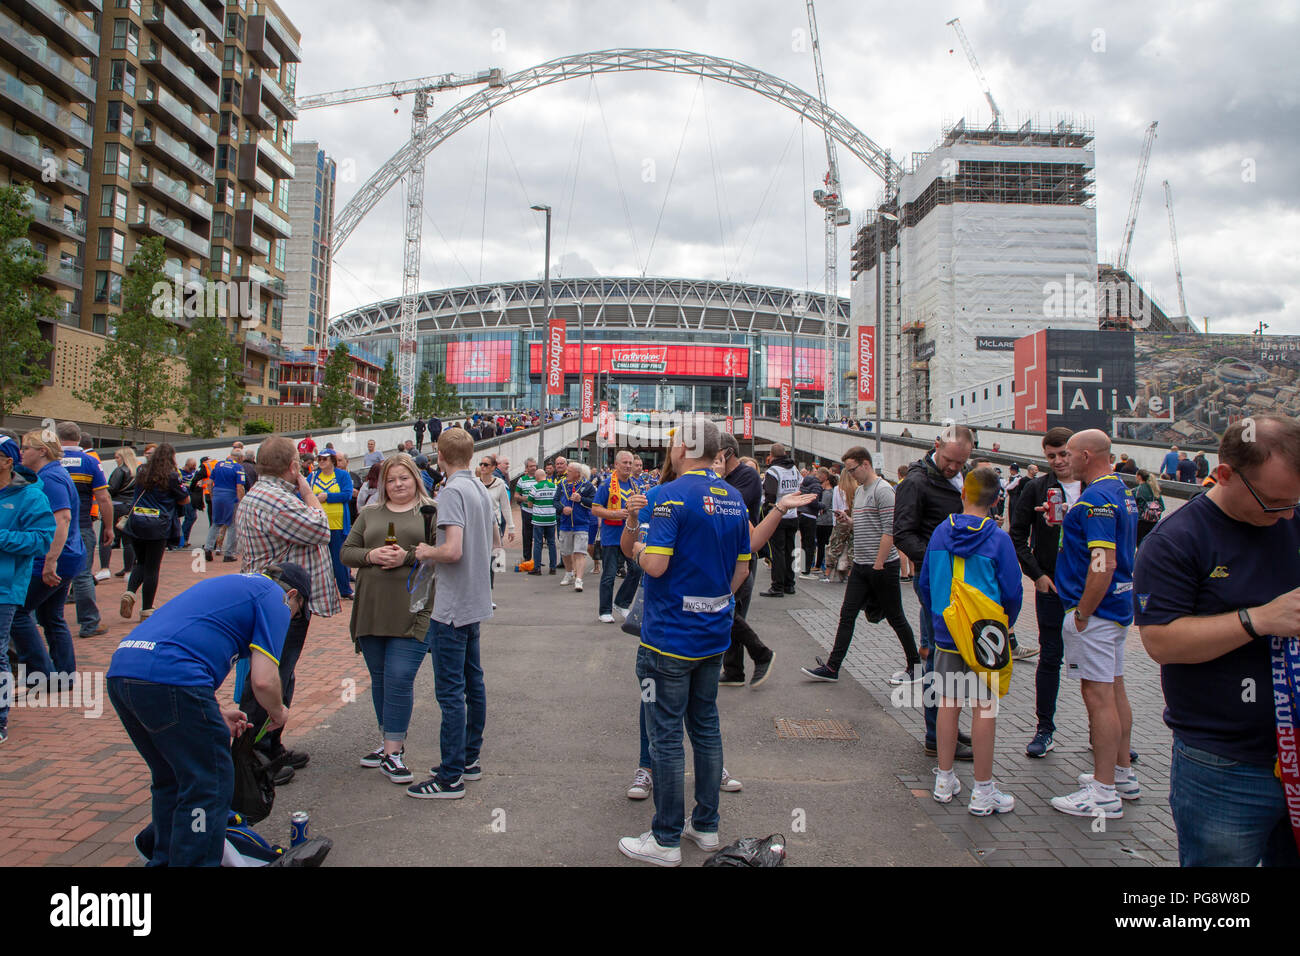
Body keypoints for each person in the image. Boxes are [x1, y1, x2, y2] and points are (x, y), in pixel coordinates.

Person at [1134, 413, 1300, 866]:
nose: (1287, 514)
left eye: (1294, 501)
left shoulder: (1291, 512)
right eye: (1273, 502)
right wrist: (1260, 619)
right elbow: (1161, 642)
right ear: (1224, 476)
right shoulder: (1176, 540)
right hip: (1224, 765)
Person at [617, 419, 750, 866]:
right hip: (713, 635)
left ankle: (666, 839)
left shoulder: (666, 496)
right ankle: (706, 827)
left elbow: (653, 565)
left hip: (668, 638)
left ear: (680, 449)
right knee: (706, 728)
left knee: (666, 737)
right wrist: (713, 602)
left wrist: (636, 550)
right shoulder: (733, 498)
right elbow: (742, 571)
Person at [106, 566, 302, 866]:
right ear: (293, 595)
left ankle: (163, 859)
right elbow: (263, 679)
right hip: (174, 677)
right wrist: (278, 711)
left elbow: (184, 641)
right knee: (208, 783)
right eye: (296, 613)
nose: (290, 622)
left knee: (170, 777)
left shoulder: (232, 585)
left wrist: (216, 710)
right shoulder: (275, 598)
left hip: (124, 671)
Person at [919, 466, 1023, 815]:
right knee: (985, 707)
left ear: (963, 493)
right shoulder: (999, 539)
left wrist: (938, 618)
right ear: (996, 500)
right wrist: (1004, 626)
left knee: (948, 704)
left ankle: (944, 780)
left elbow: (925, 584)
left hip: (947, 631)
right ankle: (983, 790)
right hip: (985, 636)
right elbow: (1012, 591)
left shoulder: (939, 533)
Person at [234, 436, 338, 779]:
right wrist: (307, 490)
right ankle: (255, 756)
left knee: (282, 674)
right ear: (292, 467)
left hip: (272, 600)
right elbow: (322, 528)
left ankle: (270, 745)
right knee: (268, 678)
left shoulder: (259, 496)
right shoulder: (278, 500)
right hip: (280, 604)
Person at [1049, 429, 1140, 820]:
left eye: (1069, 454)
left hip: (1096, 614)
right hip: (1116, 609)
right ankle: (1120, 774)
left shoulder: (1096, 498)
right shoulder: (1120, 490)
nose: (1064, 460)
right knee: (1115, 688)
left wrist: (1083, 612)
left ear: (1087, 455)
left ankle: (1104, 793)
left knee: (1097, 695)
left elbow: (1103, 563)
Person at [407, 428, 499, 799]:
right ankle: (467, 760)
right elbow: (493, 537)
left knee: (450, 692)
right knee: (472, 683)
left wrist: (425, 551)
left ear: (439, 456)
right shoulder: (479, 487)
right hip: (475, 598)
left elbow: (453, 550)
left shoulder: (451, 492)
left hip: (452, 605)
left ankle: (449, 776)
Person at [342, 454, 435, 784]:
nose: (398, 484)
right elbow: (346, 551)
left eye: (404, 478)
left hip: (413, 608)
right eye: (391, 480)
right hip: (371, 609)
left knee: (398, 676)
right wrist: (371, 555)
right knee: (380, 678)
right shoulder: (369, 513)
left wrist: (407, 557)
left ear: (415, 479)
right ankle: (388, 743)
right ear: (383, 484)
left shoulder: (430, 512)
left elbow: (443, 554)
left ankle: (394, 752)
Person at [804, 446, 922, 685]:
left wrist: (879, 563)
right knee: (847, 614)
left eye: (853, 469)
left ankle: (916, 667)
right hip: (862, 564)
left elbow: (890, 530)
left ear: (866, 464)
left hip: (881, 566)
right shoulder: (860, 492)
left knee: (896, 617)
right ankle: (832, 667)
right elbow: (869, 525)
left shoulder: (884, 490)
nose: (850, 475)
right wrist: (849, 521)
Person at [894, 424, 976, 760]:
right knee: (936, 657)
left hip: (963, 581)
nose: (954, 468)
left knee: (954, 658)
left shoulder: (959, 477)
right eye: (950, 461)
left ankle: (947, 727)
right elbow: (903, 534)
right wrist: (938, 560)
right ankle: (935, 735)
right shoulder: (915, 482)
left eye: (961, 462)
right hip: (938, 581)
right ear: (937, 445)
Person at [1010, 427, 1078, 758]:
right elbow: (1017, 535)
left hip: (1090, 586)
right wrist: (1036, 574)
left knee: (1098, 662)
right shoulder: (1037, 488)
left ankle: (1106, 733)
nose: (1059, 461)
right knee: (1051, 656)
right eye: (1052, 456)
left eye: (1064, 453)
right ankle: (1044, 728)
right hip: (1051, 584)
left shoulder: (1096, 486)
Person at [11, 431, 84, 681]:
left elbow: (61, 519)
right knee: (51, 616)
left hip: (54, 558)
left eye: (26, 448)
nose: (21, 453)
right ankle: (64, 675)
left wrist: (50, 562)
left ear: (42, 450)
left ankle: (41, 674)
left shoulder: (50, 478)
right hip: (67, 556)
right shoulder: (53, 474)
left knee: (18, 612)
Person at [0, 436, 56, 743]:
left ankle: (0, 720)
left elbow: (40, 540)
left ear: (9, 461)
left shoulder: (30, 496)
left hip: (4, 587)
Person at [119, 443, 189, 621]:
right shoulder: (172, 475)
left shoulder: (142, 470)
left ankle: (129, 592)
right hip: (158, 524)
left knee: (140, 562)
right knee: (152, 568)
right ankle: (147, 609)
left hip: (136, 521)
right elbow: (184, 499)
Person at [55, 423, 112, 639]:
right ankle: (89, 623)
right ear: (79, 439)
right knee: (82, 575)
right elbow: (104, 498)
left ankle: (41, 618)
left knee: (47, 570)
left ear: (58, 438)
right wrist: (108, 526)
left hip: (52, 525)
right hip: (81, 525)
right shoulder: (90, 462)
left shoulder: (50, 461)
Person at [592, 450, 643, 622]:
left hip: (630, 536)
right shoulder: (606, 485)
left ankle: (622, 603)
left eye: (631, 463)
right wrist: (614, 514)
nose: (628, 466)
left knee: (636, 569)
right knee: (609, 574)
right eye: (625, 463)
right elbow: (595, 509)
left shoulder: (635, 486)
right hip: (612, 536)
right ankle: (604, 611)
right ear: (616, 465)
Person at [311, 449, 354, 601]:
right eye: (320, 459)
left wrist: (327, 497)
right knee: (317, 560)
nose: (322, 461)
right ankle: (320, 591)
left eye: (325, 459)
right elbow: (302, 493)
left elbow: (347, 494)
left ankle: (345, 589)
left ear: (332, 460)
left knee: (338, 558)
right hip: (317, 524)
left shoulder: (342, 475)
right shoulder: (313, 476)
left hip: (337, 524)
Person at [759, 443, 801, 597]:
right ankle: (790, 584)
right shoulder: (794, 469)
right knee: (790, 550)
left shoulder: (773, 471)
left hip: (778, 515)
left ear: (771, 455)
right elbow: (799, 487)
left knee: (778, 552)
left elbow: (770, 494)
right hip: (793, 515)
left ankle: (777, 586)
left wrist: (765, 509)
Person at [203, 443, 246, 563]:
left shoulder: (218, 465)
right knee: (232, 525)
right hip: (230, 496)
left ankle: (208, 547)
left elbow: (210, 483)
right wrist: (241, 501)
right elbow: (240, 487)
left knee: (216, 523)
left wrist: (212, 496)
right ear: (239, 458)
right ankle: (229, 553)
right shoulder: (238, 468)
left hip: (217, 495)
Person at [556, 462, 595, 591]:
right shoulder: (562, 485)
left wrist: (581, 499)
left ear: (577, 474)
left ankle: (579, 579)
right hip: (566, 523)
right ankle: (568, 573)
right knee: (566, 552)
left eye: (570, 471)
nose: (567, 473)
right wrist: (562, 509)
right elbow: (555, 501)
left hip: (581, 523)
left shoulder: (587, 486)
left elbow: (594, 503)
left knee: (580, 552)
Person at [108, 447, 139, 578]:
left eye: (118, 457)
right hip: (131, 506)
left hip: (118, 505)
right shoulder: (136, 471)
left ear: (124, 457)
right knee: (129, 541)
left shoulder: (120, 471)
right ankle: (129, 568)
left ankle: (107, 568)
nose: (116, 460)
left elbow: (112, 488)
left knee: (111, 538)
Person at [526, 467, 558, 575]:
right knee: (551, 543)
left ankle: (537, 568)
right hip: (551, 518)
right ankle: (553, 567)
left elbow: (529, 504)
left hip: (538, 519)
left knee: (538, 543)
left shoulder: (535, 487)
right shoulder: (554, 486)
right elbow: (558, 500)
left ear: (538, 477)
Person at [796, 466, 824, 577]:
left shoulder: (804, 483)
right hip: (810, 516)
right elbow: (813, 502)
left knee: (803, 542)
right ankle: (806, 571)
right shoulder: (817, 485)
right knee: (810, 544)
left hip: (800, 513)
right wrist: (823, 505)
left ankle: (802, 568)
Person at [1134, 469, 1165, 546]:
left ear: (1139, 477)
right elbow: (1162, 507)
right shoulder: (1155, 489)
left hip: (1141, 521)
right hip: (1154, 521)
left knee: (1139, 544)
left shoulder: (1137, 490)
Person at [515, 457, 538, 559]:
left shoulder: (540, 477)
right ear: (526, 468)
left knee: (538, 536)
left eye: (534, 466)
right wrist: (525, 499)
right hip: (526, 511)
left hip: (538, 511)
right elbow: (516, 495)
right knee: (527, 535)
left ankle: (537, 559)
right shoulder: (522, 479)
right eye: (531, 466)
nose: (533, 468)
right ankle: (527, 558)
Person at [813, 468, 835, 574]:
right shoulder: (832, 491)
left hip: (823, 521)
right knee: (823, 544)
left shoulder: (827, 493)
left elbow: (823, 507)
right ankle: (821, 564)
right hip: (828, 521)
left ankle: (818, 565)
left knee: (821, 544)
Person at [178, 457, 198, 549]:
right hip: (185, 496)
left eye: (194, 468)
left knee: (192, 517)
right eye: (191, 468)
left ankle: (183, 539)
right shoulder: (180, 472)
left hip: (193, 497)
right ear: (186, 465)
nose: (192, 470)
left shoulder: (194, 472)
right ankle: (181, 539)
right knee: (191, 517)